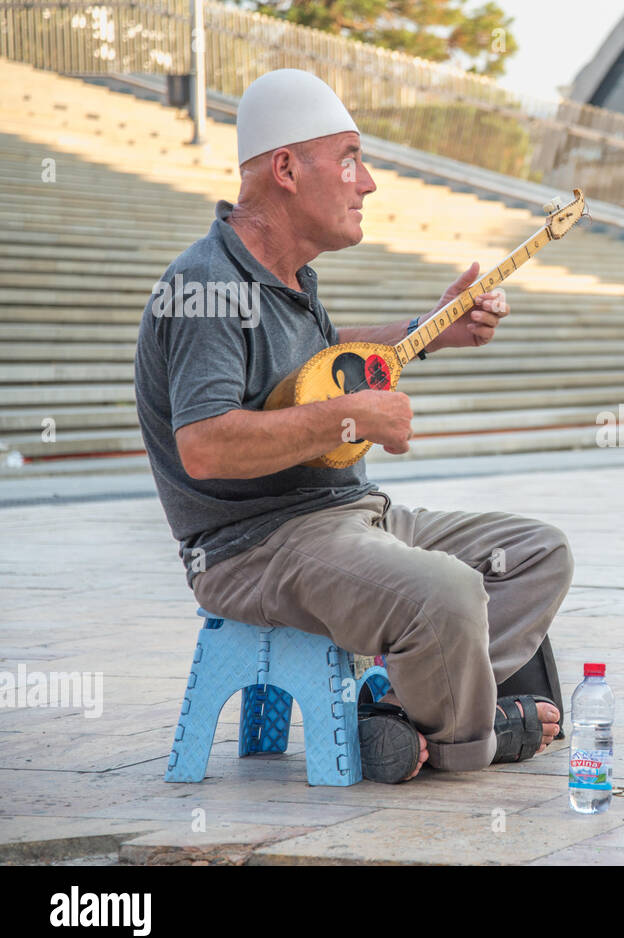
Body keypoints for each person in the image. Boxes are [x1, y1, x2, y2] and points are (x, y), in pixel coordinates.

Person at [133, 69, 572, 783]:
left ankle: (398, 714)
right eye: (349, 159)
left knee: (534, 552)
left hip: (350, 519)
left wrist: (430, 331)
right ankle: (480, 736)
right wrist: (348, 417)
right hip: (257, 549)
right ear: (285, 169)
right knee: (450, 592)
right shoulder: (206, 288)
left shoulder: (289, 279)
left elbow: (325, 361)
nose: (365, 183)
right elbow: (204, 445)